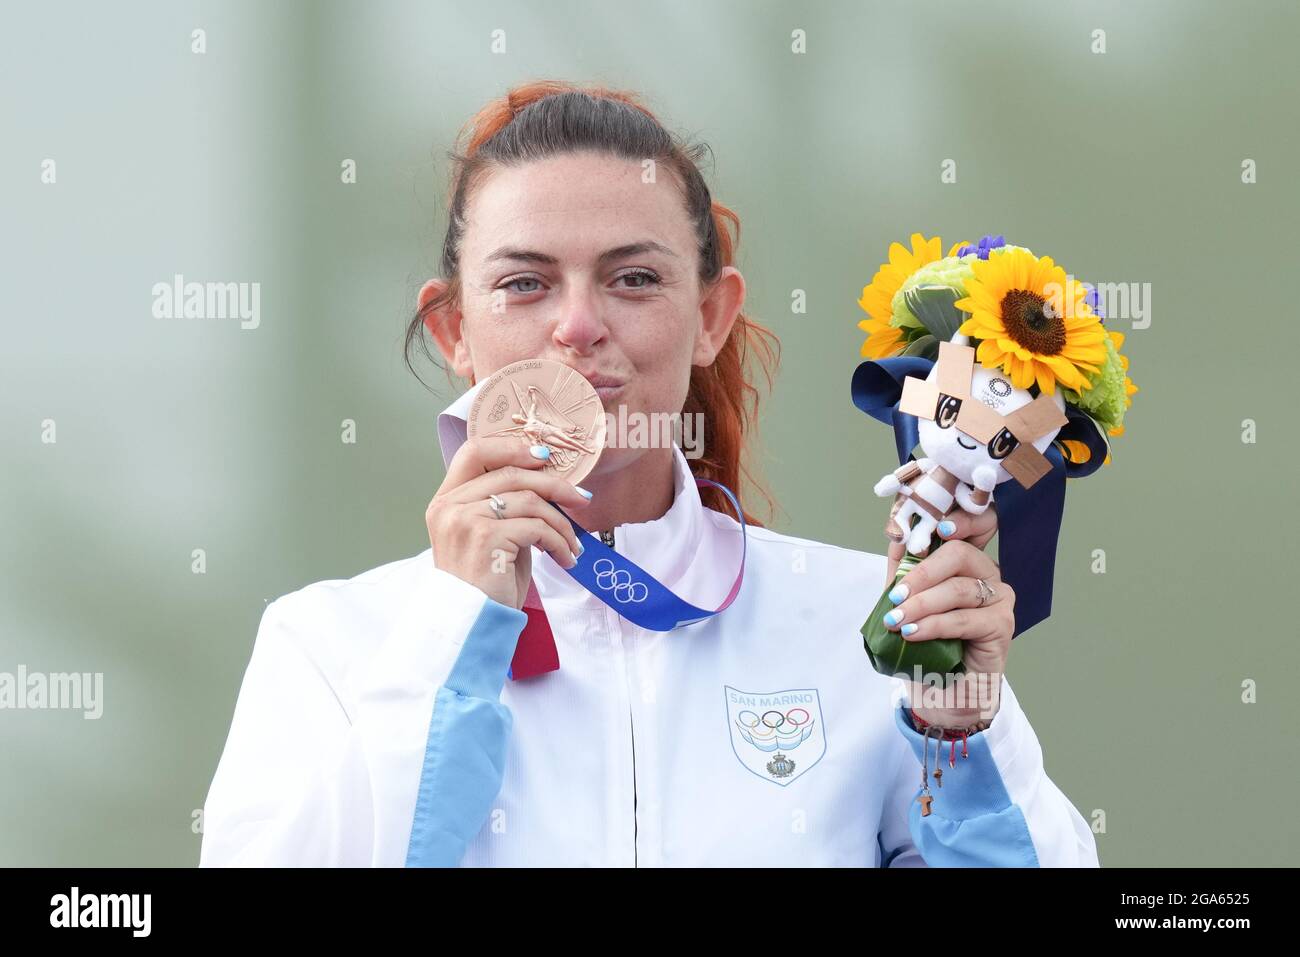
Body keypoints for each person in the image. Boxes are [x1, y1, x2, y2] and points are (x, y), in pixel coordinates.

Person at [199, 81, 1099, 867]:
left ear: (711, 316)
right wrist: (455, 629)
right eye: (524, 284)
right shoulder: (329, 647)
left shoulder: (869, 629)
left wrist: (962, 728)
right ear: (453, 333)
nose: (579, 325)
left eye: (632, 279)